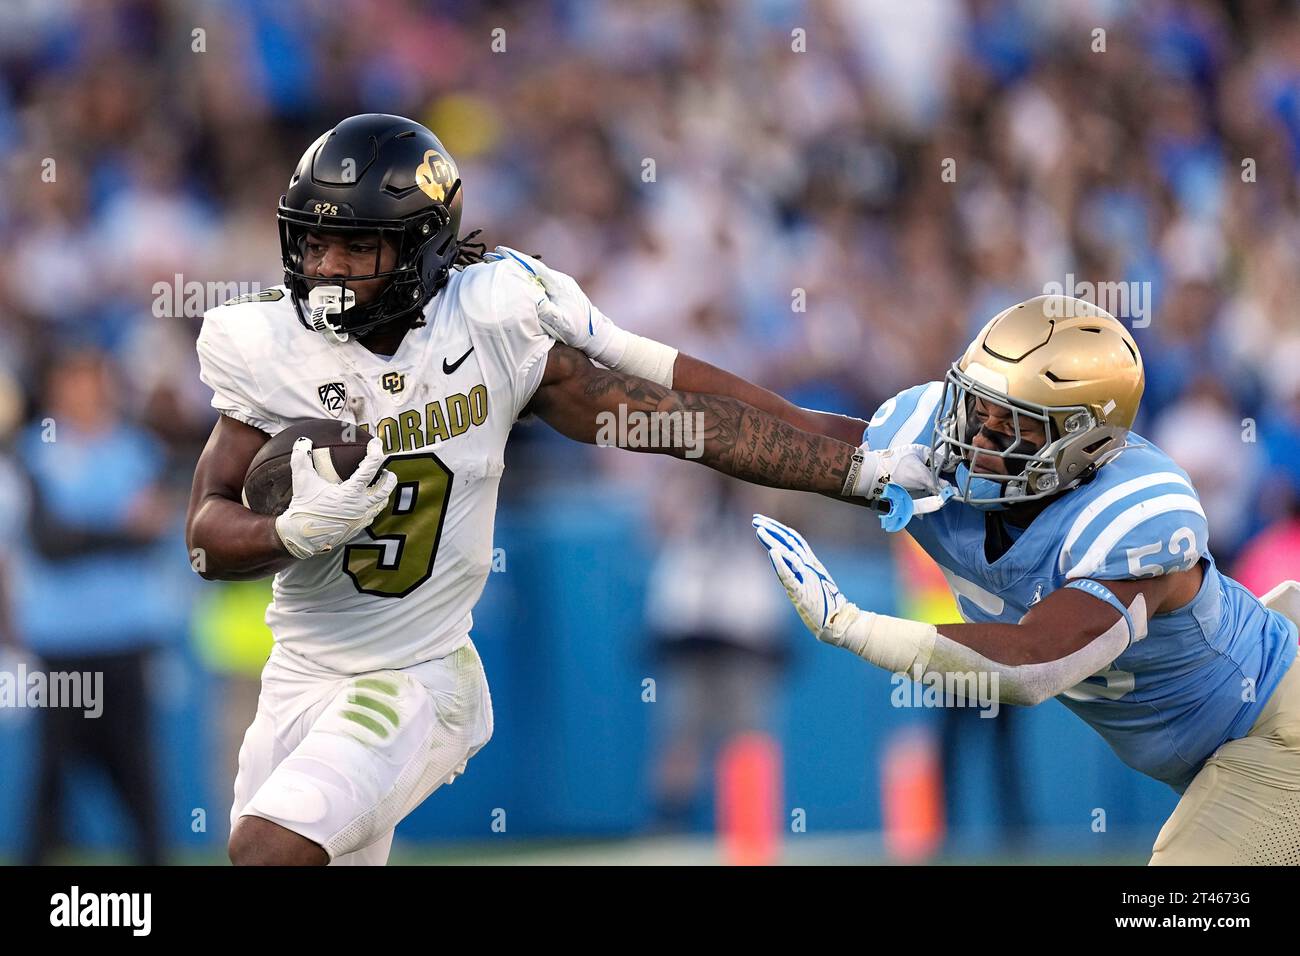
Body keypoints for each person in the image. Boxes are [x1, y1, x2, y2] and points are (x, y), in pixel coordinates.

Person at [186, 114, 936, 866]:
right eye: (314, 242)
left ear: (423, 247)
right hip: (294, 678)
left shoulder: (489, 326)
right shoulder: (265, 347)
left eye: (357, 245)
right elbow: (204, 540)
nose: (327, 267)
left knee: (269, 851)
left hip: (415, 674)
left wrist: (849, 462)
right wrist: (290, 533)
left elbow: (691, 422)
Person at [538, 282, 1300, 865]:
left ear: (1082, 446)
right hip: (1215, 729)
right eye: (976, 410)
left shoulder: (1139, 515)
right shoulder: (933, 446)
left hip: (1272, 732)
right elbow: (775, 424)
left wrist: (854, 627)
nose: (976, 438)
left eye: (1011, 428)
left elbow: (1039, 661)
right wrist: (605, 353)